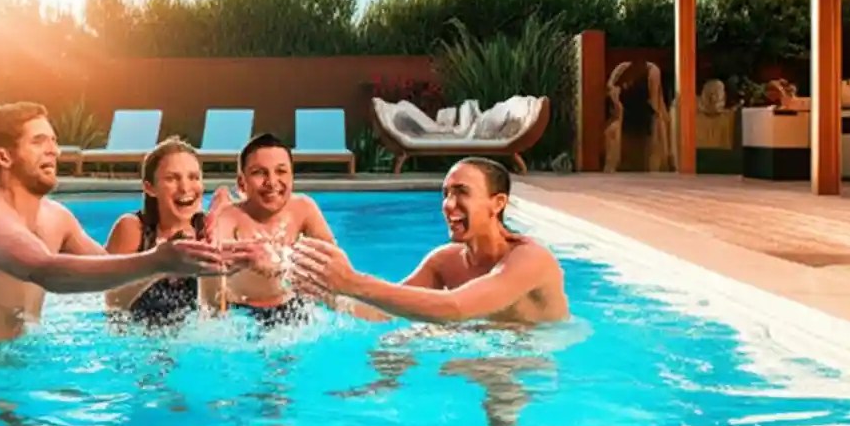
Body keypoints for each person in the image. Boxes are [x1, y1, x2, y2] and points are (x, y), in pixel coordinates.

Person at [0, 102, 245, 346]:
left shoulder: (58, 218)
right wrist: (157, 260)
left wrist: (197, 246)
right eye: (39, 141)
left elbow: (116, 278)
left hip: (25, 364)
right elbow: (46, 271)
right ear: (3, 157)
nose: (54, 151)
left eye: (54, 142)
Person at [291, 156, 569, 325]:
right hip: (485, 343)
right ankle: (377, 406)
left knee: (491, 369)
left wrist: (353, 282)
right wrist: (326, 292)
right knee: (396, 345)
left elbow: (457, 307)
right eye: (446, 194)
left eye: (461, 192)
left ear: (497, 203)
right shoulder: (444, 261)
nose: (449, 204)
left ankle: (502, 423)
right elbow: (385, 313)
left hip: (535, 357)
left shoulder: (530, 259)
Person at [209, 133, 337, 328]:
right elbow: (213, 259)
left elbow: (332, 262)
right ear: (242, 183)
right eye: (259, 173)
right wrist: (247, 255)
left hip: (292, 307)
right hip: (243, 315)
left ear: (292, 177)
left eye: (281, 171)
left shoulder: (303, 208)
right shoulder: (229, 217)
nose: (272, 181)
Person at [103, 136, 231, 327]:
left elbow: (215, 313)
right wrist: (160, 265)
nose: (185, 187)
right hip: (136, 344)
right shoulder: (133, 228)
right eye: (172, 178)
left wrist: (210, 248)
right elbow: (112, 301)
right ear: (150, 188)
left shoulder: (207, 230)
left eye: (193, 177)